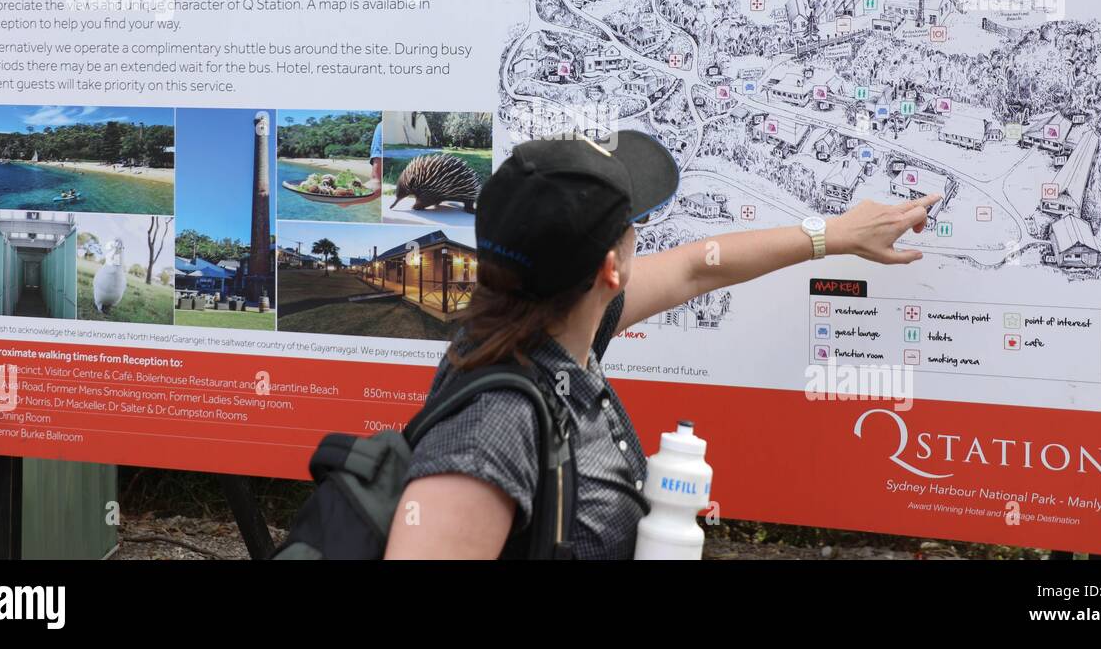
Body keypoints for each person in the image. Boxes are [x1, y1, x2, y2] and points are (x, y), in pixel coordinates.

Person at [383, 130, 939, 559]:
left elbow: (699, 268)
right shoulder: (492, 431)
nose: (640, 239)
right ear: (611, 267)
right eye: (632, 227)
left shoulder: (552, 323)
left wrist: (834, 235)